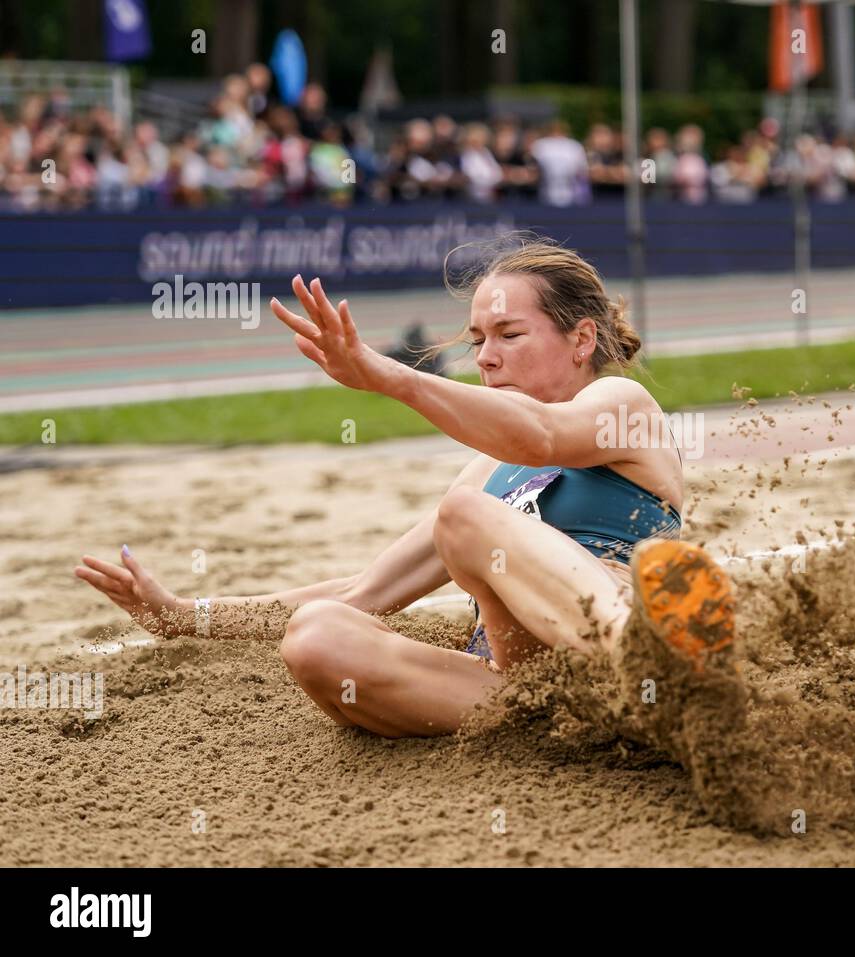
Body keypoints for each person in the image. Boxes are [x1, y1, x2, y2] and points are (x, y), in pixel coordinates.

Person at [74, 236, 738, 738]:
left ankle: (651, 661)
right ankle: (582, 717)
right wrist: (185, 615)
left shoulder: (620, 402)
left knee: (463, 518)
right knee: (317, 636)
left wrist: (393, 377)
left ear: (580, 338)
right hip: (527, 692)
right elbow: (365, 593)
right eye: (477, 338)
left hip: (622, 628)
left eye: (509, 333)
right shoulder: (483, 475)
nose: (485, 356)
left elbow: (538, 435)